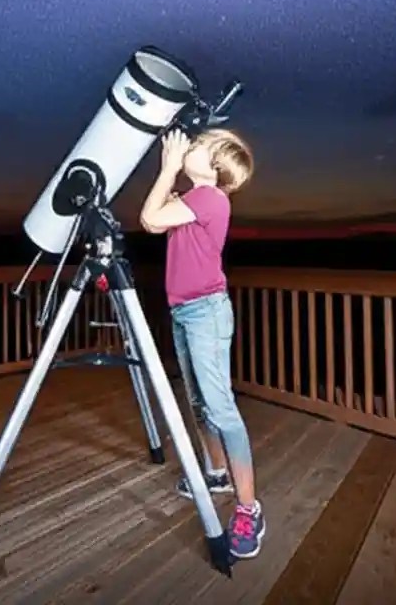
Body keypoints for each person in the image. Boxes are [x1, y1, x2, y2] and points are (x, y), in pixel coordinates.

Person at [139, 126, 262, 560]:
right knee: (198, 403)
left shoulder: (211, 198)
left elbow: (150, 219)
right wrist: (171, 178)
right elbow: (157, 217)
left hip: (205, 312)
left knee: (221, 408)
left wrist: (168, 167)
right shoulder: (193, 201)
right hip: (185, 311)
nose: (190, 144)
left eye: (200, 146)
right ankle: (215, 473)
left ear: (215, 166)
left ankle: (249, 508)